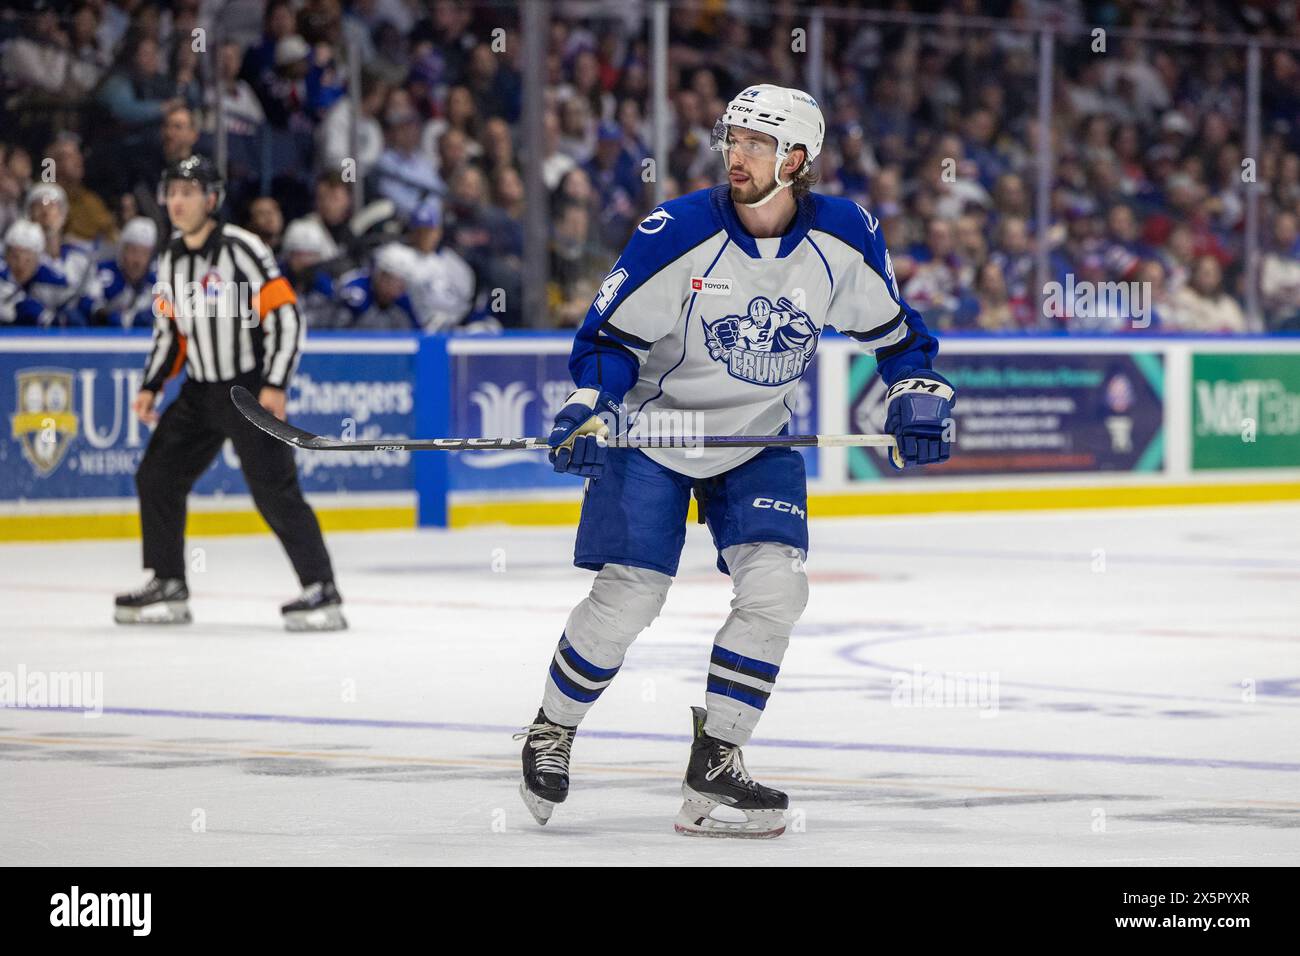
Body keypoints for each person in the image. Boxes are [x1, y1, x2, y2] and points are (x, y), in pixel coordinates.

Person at [515, 85, 955, 838]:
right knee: (630, 599)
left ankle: (718, 759)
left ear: (797, 158)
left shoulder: (844, 235)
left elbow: (896, 336)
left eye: (755, 142)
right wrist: (592, 403)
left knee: (778, 589)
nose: (735, 154)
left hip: (756, 438)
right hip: (655, 434)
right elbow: (608, 340)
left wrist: (918, 391)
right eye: (732, 138)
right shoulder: (676, 230)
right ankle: (553, 727)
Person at [114, 155, 345, 631]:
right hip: (200, 392)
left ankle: (322, 590)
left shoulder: (242, 248)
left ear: (211, 199)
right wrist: (151, 386)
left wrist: (275, 383)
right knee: (156, 475)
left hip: (247, 393)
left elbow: (286, 316)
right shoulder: (171, 257)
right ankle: (169, 581)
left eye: (187, 192)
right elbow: (170, 332)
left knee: (274, 491)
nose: (177, 202)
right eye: (171, 192)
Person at [91, 216, 157, 328]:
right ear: (122, 251)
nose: (138, 260)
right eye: (133, 251)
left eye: (144, 253)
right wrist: (104, 315)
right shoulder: (105, 274)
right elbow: (87, 303)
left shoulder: (156, 282)